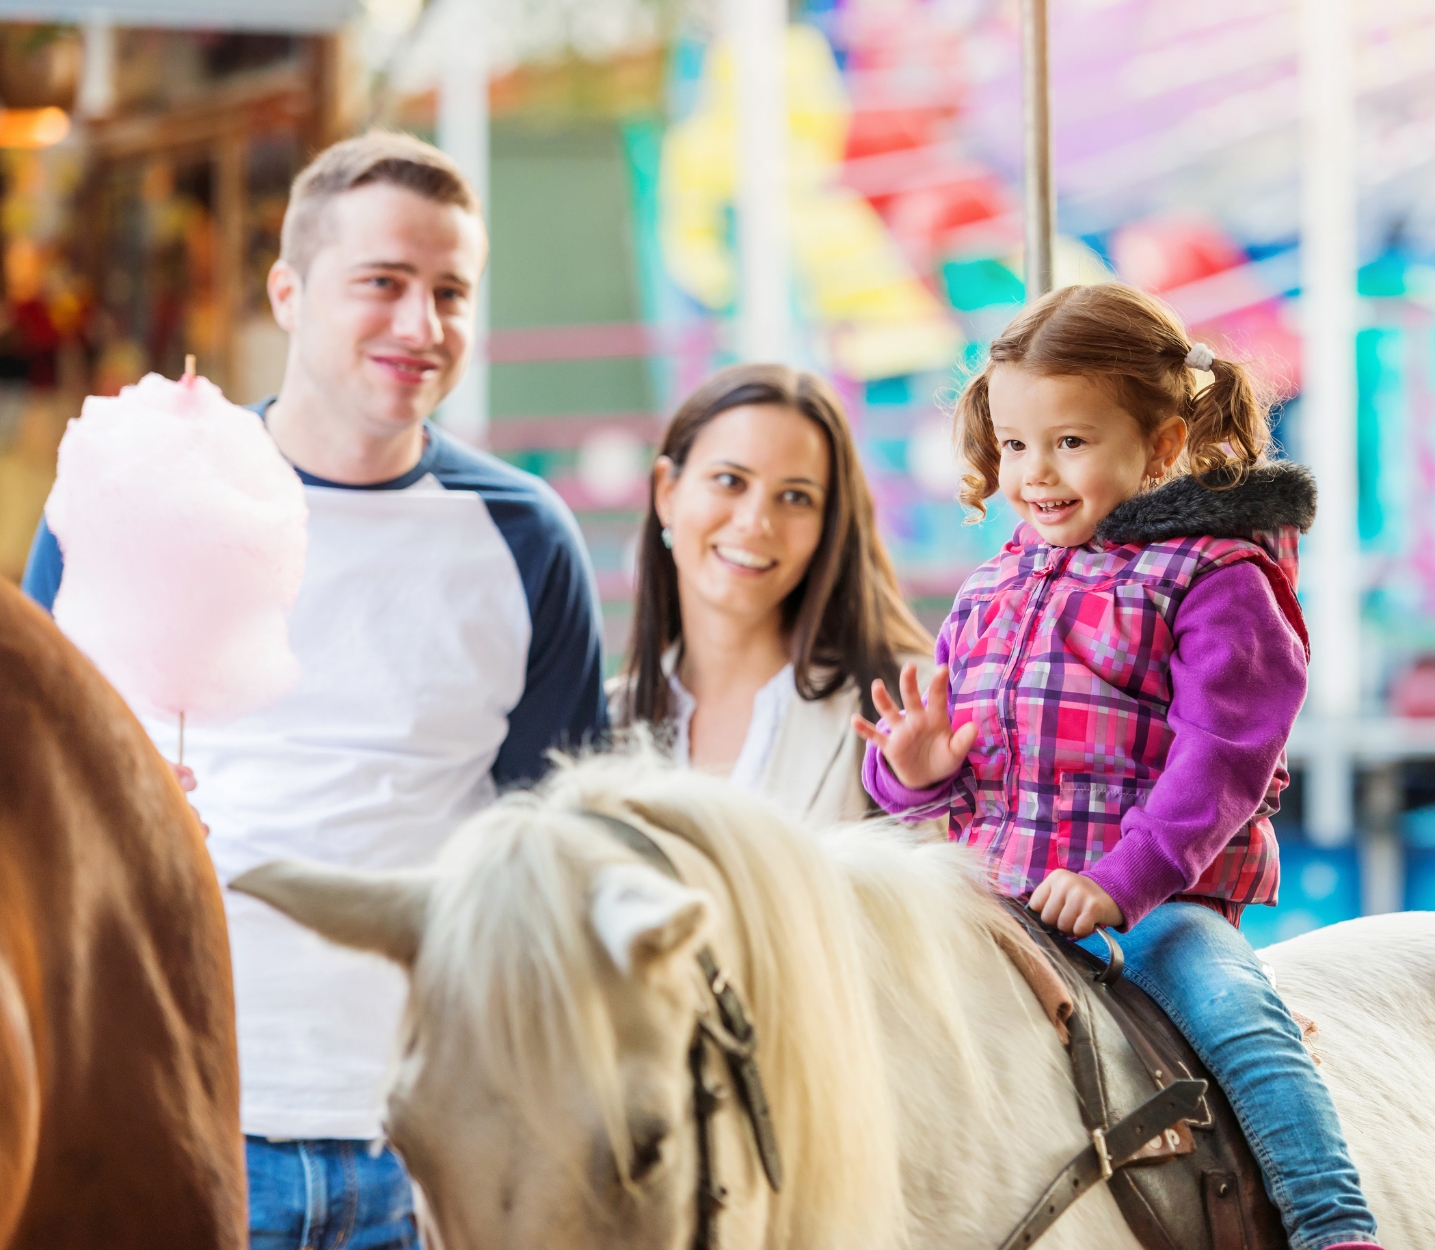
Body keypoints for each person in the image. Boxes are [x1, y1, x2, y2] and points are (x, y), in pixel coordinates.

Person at [23, 131, 608, 1250]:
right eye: (381, 282)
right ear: (287, 291)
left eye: (451, 291)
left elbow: (552, 854)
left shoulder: (526, 537)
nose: (421, 325)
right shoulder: (127, 496)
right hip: (165, 1102)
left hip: (425, 1134)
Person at [855, 283, 1383, 1250]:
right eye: (1015, 445)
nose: (1035, 474)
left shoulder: (1216, 579)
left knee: (1236, 1015)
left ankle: (1331, 1221)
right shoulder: (993, 586)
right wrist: (917, 773)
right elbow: (967, 775)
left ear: (1164, 445)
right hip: (992, 896)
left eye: (1071, 442)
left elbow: (1224, 758)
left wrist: (1120, 881)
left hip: (1151, 905)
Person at [616, 361, 934, 822]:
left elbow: (934, 888)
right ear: (667, 491)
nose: (756, 522)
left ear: (829, 527)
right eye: (730, 481)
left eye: (795, 497)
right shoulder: (603, 720)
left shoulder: (906, 705)